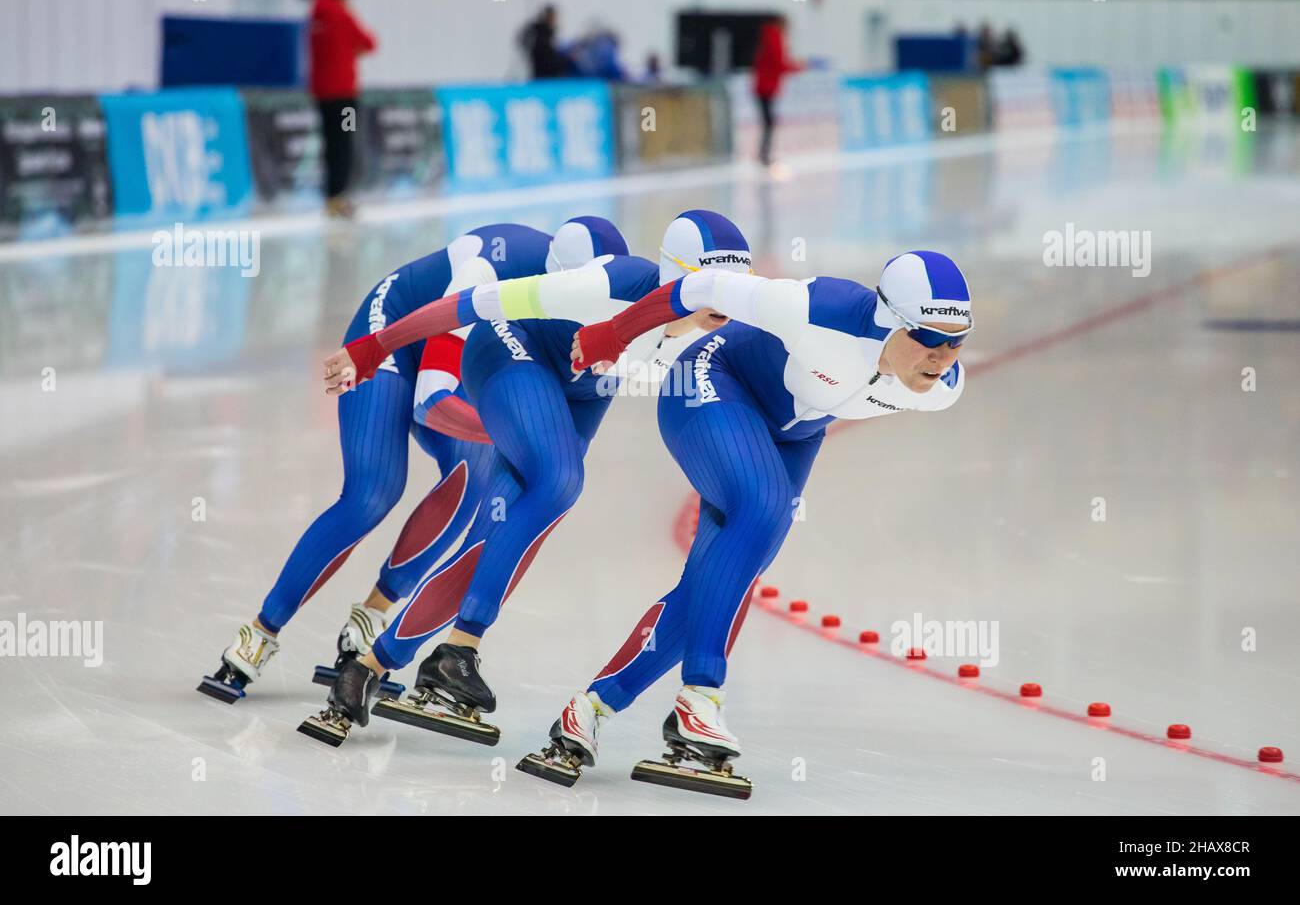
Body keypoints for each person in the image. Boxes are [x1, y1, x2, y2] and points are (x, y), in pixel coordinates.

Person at [519, 249, 972, 798]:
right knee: (761, 509)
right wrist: (613, 334)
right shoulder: (816, 307)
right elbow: (704, 286)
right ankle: (700, 698)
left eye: (958, 340)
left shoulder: (941, 390)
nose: (944, 356)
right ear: (891, 319)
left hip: (795, 432)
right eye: (930, 336)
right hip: (713, 381)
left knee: (723, 578)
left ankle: (590, 709)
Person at [302, 212, 752, 746]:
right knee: (560, 479)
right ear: (676, 277)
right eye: (711, 286)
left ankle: (370, 668)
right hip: (511, 350)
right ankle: (458, 651)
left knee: (511, 527)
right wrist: (376, 346)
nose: (727, 299)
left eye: (734, 286)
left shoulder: (721, 323)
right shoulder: (606, 285)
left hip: (585, 389)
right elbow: (473, 305)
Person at [198, 218, 626, 704]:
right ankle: (261, 631)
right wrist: (525, 434)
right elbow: (432, 401)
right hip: (396, 335)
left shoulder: (611, 297)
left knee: (473, 476)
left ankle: (371, 616)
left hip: (477, 348)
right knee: (373, 492)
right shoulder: (489, 267)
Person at [309, 0, 377, 219]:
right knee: (344, 144)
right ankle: (339, 197)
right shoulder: (341, 14)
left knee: (330, 144)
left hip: (322, 94)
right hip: (343, 94)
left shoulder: (315, 16)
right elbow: (369, 42)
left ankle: (331, 197)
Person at [751, 16, 802, 168]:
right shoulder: (775, 39)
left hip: (764, 86)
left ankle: (764, 154)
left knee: (768, 122)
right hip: (766, 87)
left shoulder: (768, 38)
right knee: (769, 122)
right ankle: (764, 155)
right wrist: (799, 67)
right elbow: (779, 63)